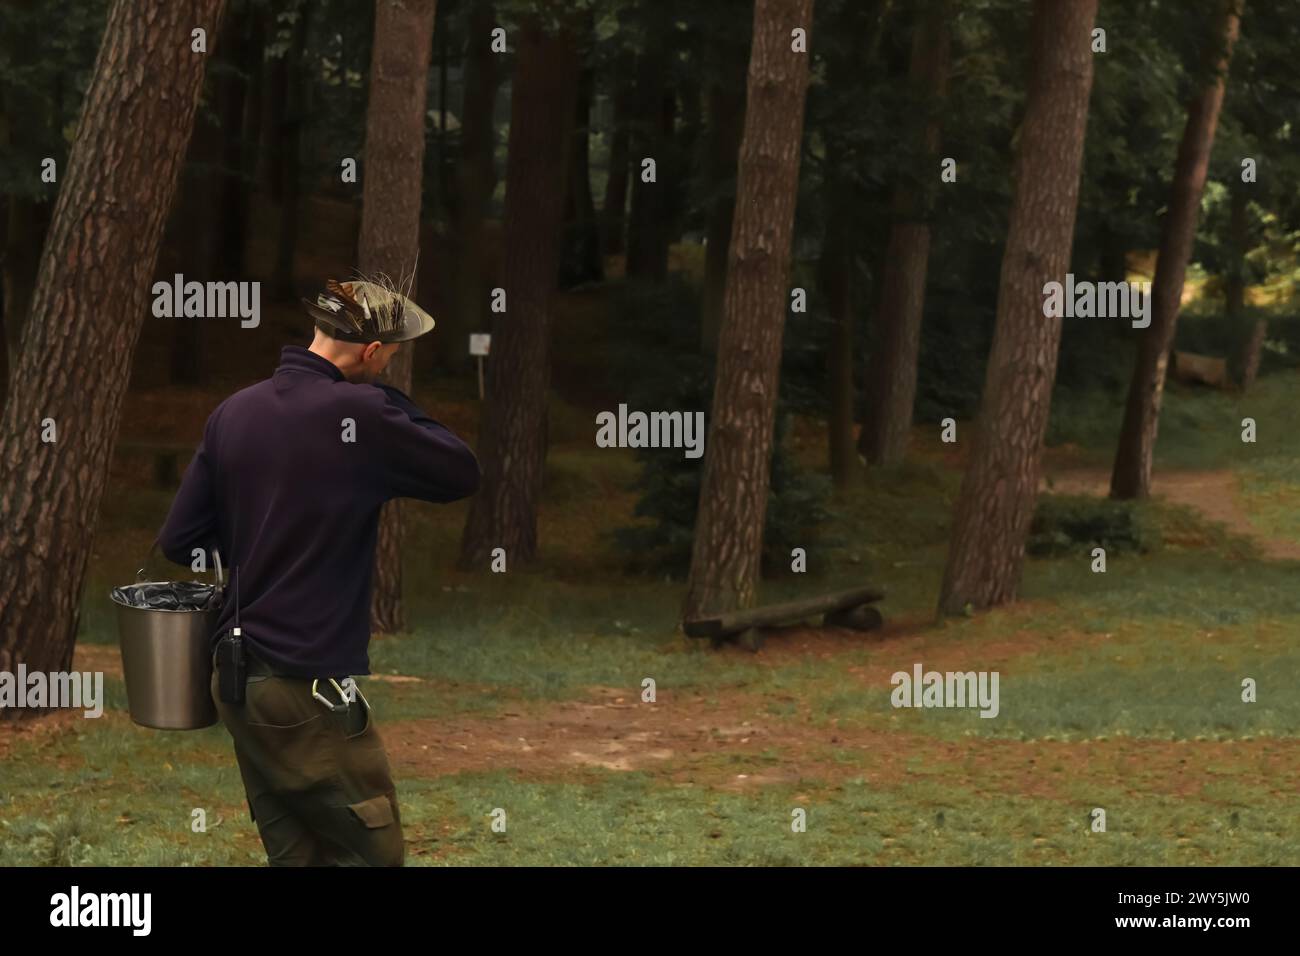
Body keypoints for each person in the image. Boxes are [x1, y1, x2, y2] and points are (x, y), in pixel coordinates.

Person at [157, 276, 480, 866]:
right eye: (387, 359)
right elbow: (460, 470)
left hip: (238, 683)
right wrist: (385, 398)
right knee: (372, 851)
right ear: (372, 353)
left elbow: (181, 540)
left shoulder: (235, 410)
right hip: (305, 685)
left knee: (301, 858)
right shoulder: (362, 413)